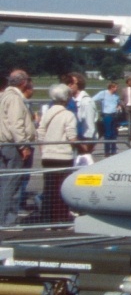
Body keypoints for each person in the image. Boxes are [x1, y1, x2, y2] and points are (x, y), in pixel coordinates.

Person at [36, 83, 78, 225]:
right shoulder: (68, 115)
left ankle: (47, 219)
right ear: (66, 98)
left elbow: (40, 132)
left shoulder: (47, 113)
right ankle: (61, 218)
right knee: (62, 189)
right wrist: (80, 146)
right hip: (63, 155)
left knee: (49, 188)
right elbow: (71, 135)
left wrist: (43, 149)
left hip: (48, 155)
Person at [0, 70, 37, 226]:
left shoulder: (5, 96)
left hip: (5, 143)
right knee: (12, 183)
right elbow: (16, 124)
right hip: (13, 145)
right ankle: (6, 220)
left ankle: (7, 218)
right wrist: (23, 145)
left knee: (5, 182)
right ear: (23, 83)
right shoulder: (15, 99)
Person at [67, 72, 98, 142]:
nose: (68, 85)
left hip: (84, 141)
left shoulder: (87, 102)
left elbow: (90, 127)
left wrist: (86, 147)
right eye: (67, 83)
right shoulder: (70, 101)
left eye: (71, 83)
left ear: (79, 84)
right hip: (74, 140)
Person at [97, 80, 122, 155]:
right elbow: (93, 99)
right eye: (115, 87)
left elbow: (117, 103)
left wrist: (119, 106)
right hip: (107, 115)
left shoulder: (116, 96)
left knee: (113, 134)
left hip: (114, 115)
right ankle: (107, 151)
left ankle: (113, 150)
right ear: (111, 87)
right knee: (107, 134)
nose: (117, 89)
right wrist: (100, 105)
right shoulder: (103, 93)